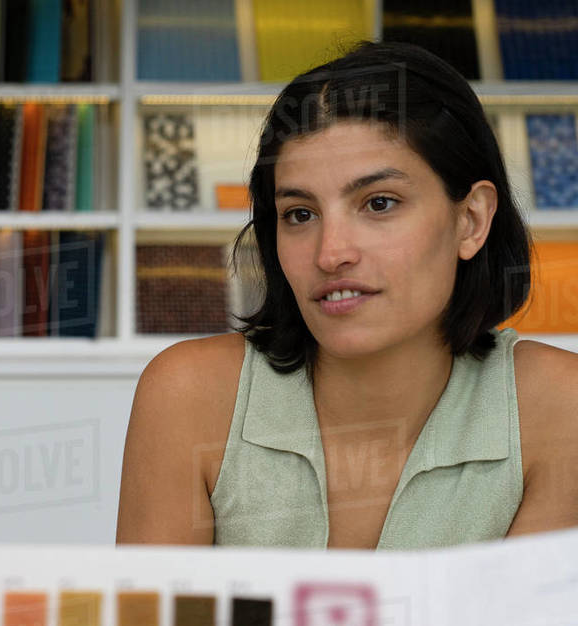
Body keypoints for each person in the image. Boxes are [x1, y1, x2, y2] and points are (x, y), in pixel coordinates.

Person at [117, 41, 578, 549]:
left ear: (471, 220)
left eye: (379, 203)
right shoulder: (188, 395)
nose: (330, 253)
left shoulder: (560, 407)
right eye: (299, 214)